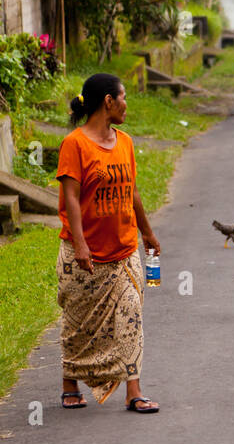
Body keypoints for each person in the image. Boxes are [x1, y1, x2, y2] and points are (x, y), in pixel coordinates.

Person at [56, 74, 161, 413]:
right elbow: (71, 198)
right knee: (79, 321)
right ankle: (69, 382)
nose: (127, 104)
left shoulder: (125, 142)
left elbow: (131, 190)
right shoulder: (75, 144)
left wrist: (146, 231)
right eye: (124, 97)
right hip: (82, 252)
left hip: (123, 250)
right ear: (108, 102)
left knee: (131, 314)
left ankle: (134, 390)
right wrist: (81, 244)